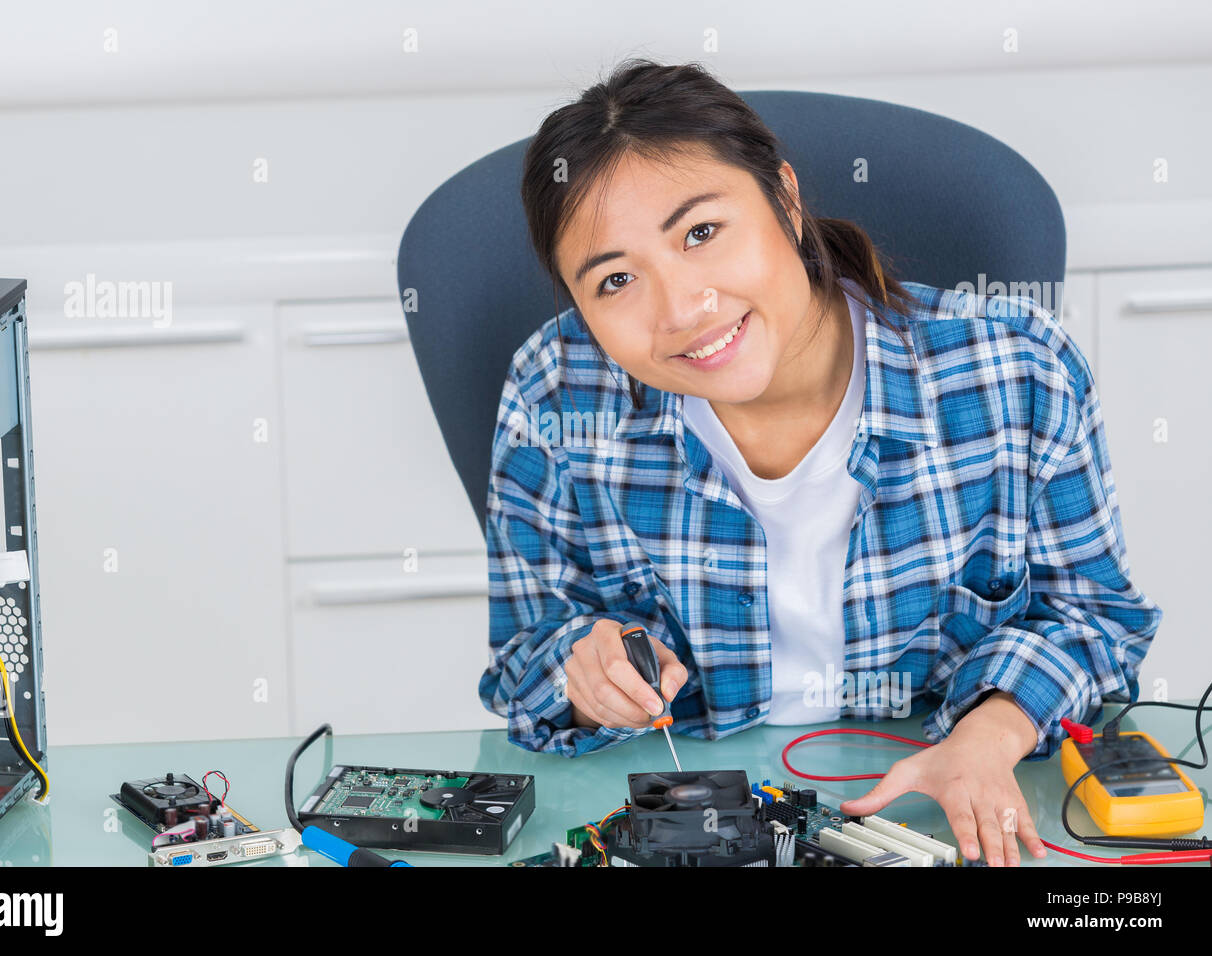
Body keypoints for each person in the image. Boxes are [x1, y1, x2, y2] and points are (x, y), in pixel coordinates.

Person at [480, 58, 1162, 866]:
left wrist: (989, 735)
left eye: (701, 233)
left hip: (926, 811)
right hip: (681, 826)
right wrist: (581, 675)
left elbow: (1091, 618)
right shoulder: (555, 393)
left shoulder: (1017, 373)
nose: (681, 310)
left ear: (786, 199)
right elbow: (529, 653)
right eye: (617, 279)